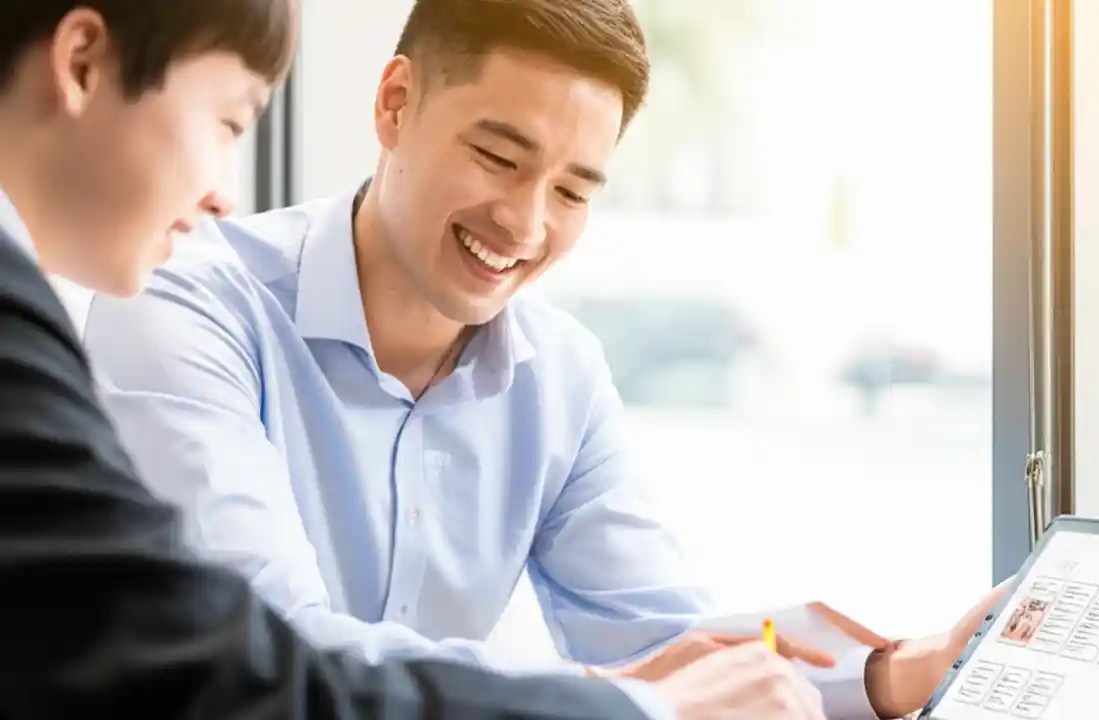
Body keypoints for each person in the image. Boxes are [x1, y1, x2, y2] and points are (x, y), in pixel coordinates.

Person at [83, 0, 1004, 717]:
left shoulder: (558, 376)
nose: (525, 225)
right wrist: (623, 699)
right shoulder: (183, 301)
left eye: (572, 191)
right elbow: (270, 652)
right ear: (395, 104)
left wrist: (899, 672)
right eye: (499, 157)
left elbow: (667, 646)